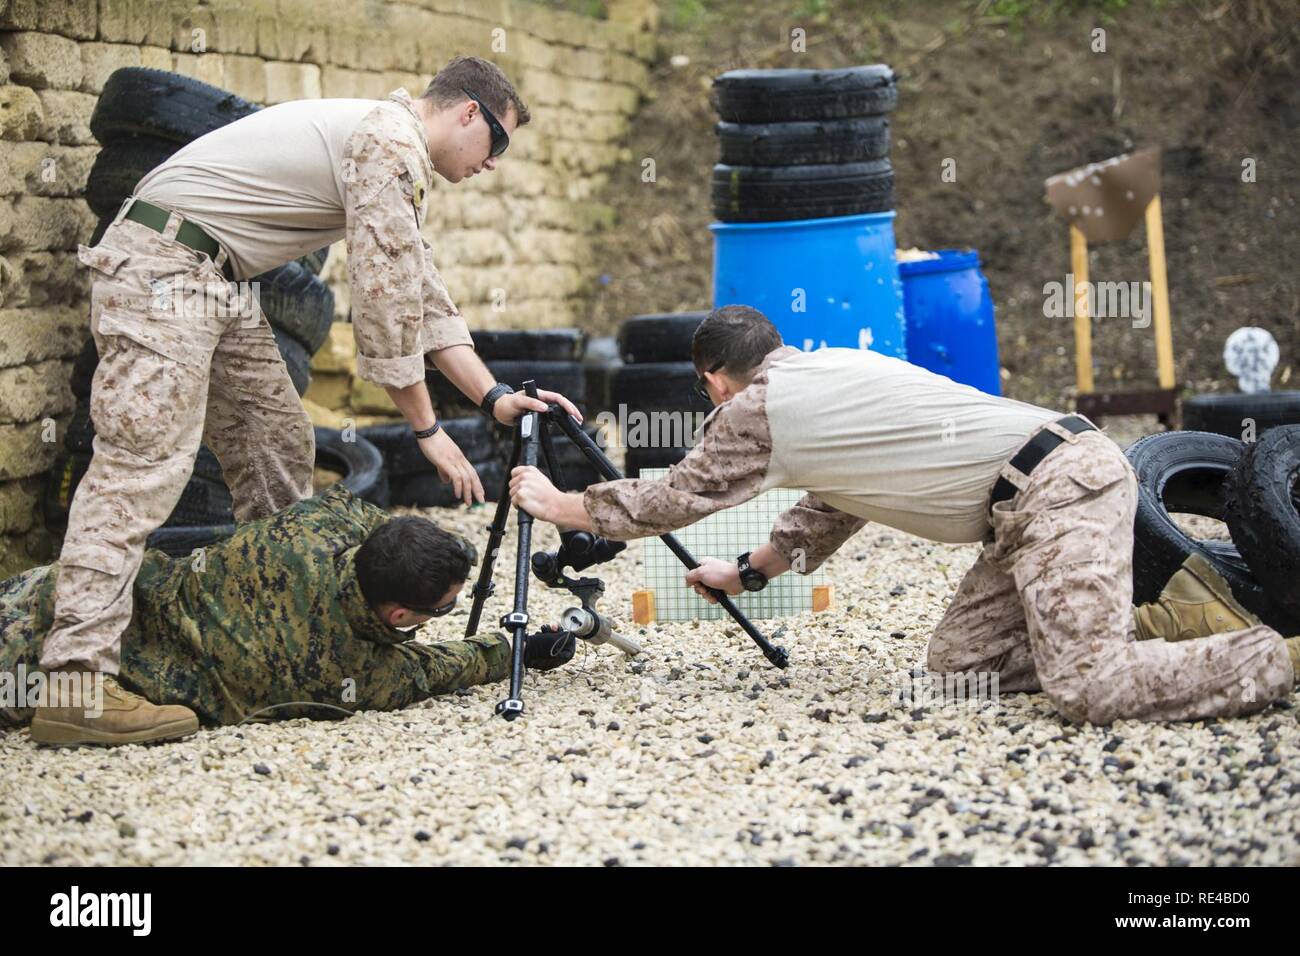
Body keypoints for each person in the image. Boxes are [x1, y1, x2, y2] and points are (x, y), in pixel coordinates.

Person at [42, 55, 582, 743]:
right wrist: (425, 430)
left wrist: (495, 396)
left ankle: (287, 614)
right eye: (497, 143)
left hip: (213, 278)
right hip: (162, 269)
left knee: (277, 440)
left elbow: (421, 291)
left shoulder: (386, 148)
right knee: (139, 469)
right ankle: (76, 684)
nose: (494, 163)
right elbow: (384, 308)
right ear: (466, 112)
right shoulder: (389, 141)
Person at [509, 305, 1299, 724]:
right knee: (957, 675)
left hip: (1060, 486)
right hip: (1028, 498)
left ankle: (1276, 658)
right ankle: (1161, 628)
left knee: (1085, 690)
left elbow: (675, 496)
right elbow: (834, 499)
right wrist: (751, 573)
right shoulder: (836, 366)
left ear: (713, 379)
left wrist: (563, 503)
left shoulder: (756, 409)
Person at [4, 484, 574, 743]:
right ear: (401, 616)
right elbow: (439, 668)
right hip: (31, 673)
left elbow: (358, 512)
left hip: (62, 591)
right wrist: (518, 650)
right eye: (444, 607)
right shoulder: (342, 668)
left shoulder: (312, 529)